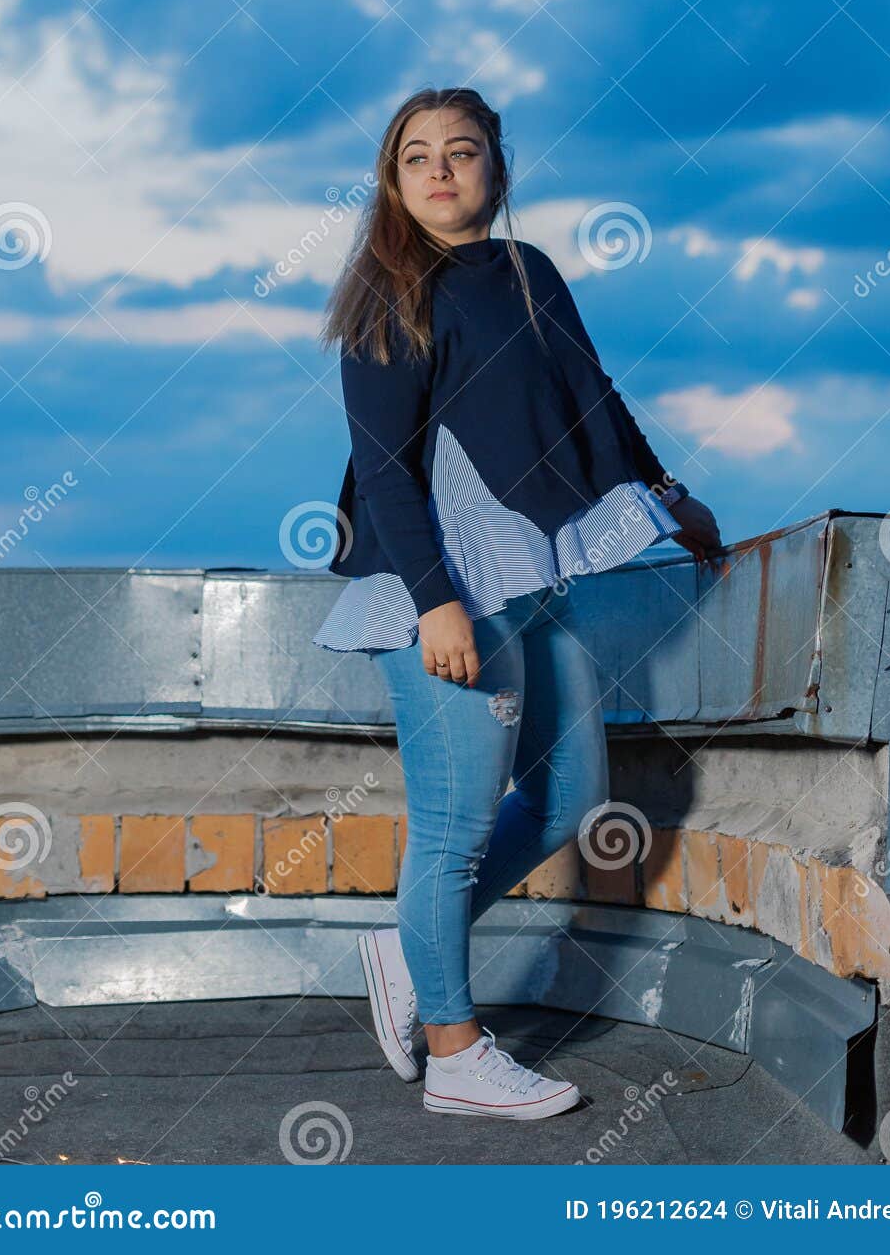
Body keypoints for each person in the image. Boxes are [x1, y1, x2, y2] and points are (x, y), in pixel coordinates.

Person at [313, 86, 722, 1120]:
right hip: (443, 582)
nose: (441, 170)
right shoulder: (387, 294)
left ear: (497, 166)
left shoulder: (530, 273)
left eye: (462, 150)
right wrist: (433, 603)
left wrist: (669, 495)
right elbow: (383, 467)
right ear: (392, 180)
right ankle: (454, 1055)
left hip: (535, 562)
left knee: (567, 790)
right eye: (417, 156)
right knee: (449, 828)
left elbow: (596, 396)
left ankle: (406, 951)